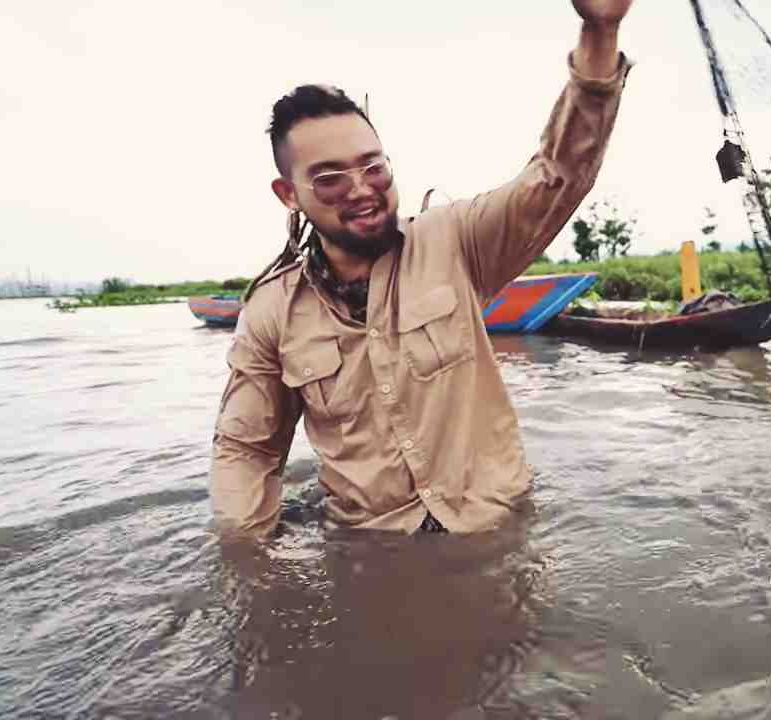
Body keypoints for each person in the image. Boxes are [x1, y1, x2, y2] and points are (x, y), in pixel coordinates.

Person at [209, 0, 635, 537]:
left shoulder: (455, 242)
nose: (362, 189)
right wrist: (251, 568)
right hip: (371, 550)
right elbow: (247, 450)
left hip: (494, 529)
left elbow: (559, 173)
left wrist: (600, 30)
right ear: (287, 194)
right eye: (330, 179)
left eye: (373, 166)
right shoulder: (272, 311)